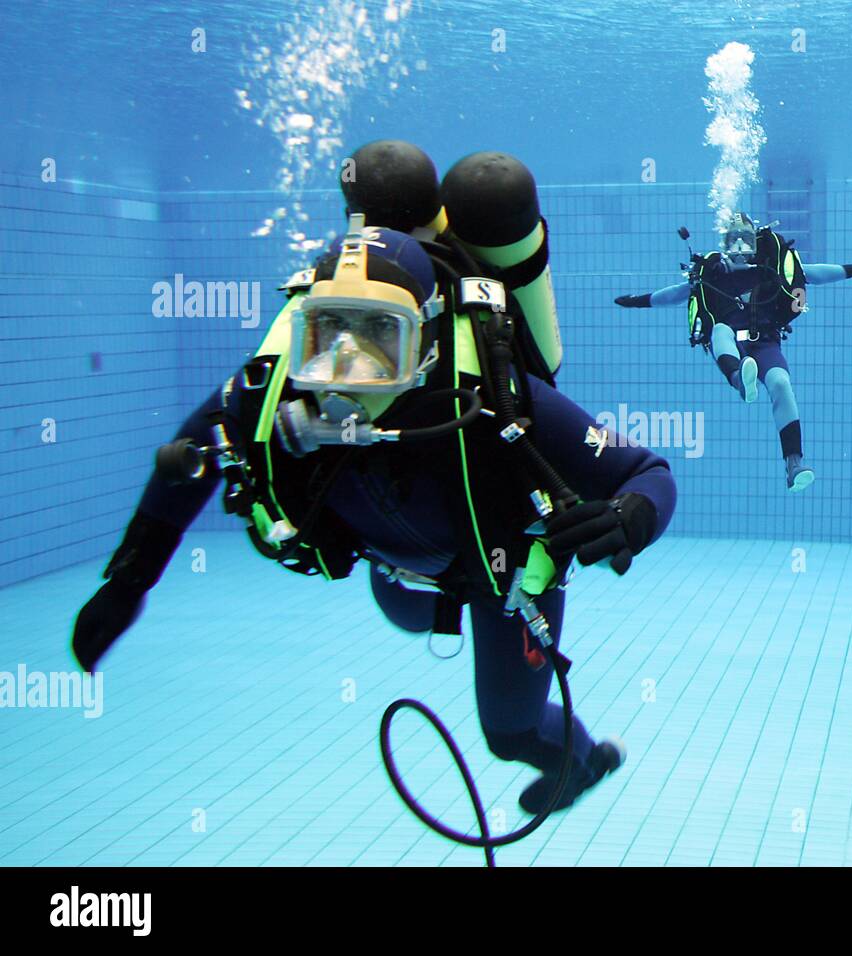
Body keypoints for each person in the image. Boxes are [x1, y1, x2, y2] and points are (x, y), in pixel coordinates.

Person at [71, 144, 678, 814]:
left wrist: (629, 517)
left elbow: (646, 471)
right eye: (328, 336)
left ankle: (582, 763)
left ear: (421, 342)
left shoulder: (492, 400)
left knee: (508, 734)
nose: (345, 369)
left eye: (377, 340)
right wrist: (130, 578)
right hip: (399, 570)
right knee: (403, 608)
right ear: (304, 326)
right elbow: (189, 452)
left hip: (502, 572)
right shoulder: (275, 385)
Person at [615, 212, 852, 491]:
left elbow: (812, 273)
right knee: (720, 331)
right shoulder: (713, 273)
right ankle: (740, 380)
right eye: (734, 241)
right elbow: (676, 293)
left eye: (746, 240)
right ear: (725, 243)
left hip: (766, 341)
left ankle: (794, 464)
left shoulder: (768, 269)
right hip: (732, 342)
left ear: (755, 243)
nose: (741, 248)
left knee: (781, 384)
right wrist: (639, 301)